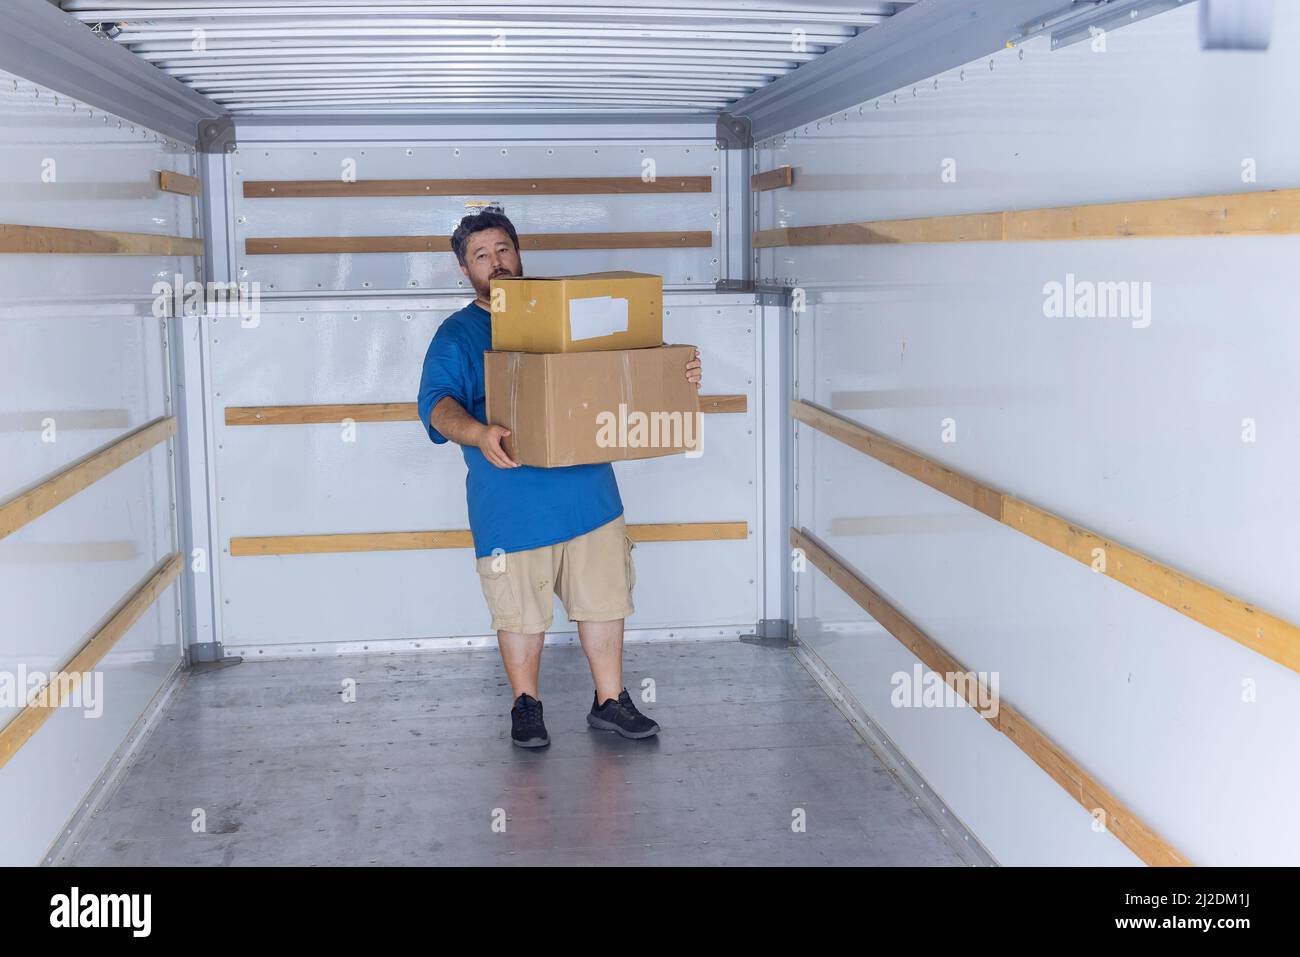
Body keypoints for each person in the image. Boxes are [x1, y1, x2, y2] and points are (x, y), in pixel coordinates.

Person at [417, 208, 703, 748]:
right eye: (481, 256)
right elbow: (435, 406)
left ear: (519, 253)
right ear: (464, 270)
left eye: (502, 249)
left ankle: (610, 702)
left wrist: (676, 373)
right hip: (511, 502)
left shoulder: (567, 314)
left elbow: (626, 366)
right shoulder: (456, 335)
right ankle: (527, 706)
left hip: (590, 495)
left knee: (605, 601)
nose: (495, 262)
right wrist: (478, 433)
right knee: (521, 613)